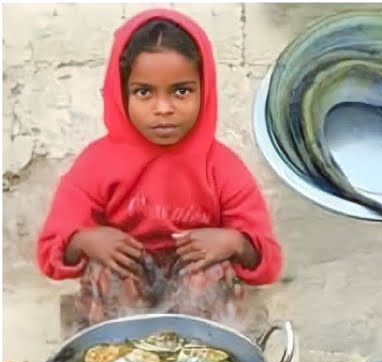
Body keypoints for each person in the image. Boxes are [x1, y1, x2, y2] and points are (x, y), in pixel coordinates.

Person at [35, 8, 282, 328]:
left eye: (182, 91)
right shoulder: (96, 165)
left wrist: (234, 242)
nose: (163, 108)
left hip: (197, 308)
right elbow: (51, 252)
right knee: (104, 267)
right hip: (125, 303)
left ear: (204, 90)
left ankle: (199, 359)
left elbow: (268, 261)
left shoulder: (222, 168)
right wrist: (85, 241)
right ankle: (116, 356)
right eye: (144, 92)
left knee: (213, 269)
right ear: (120, 92)